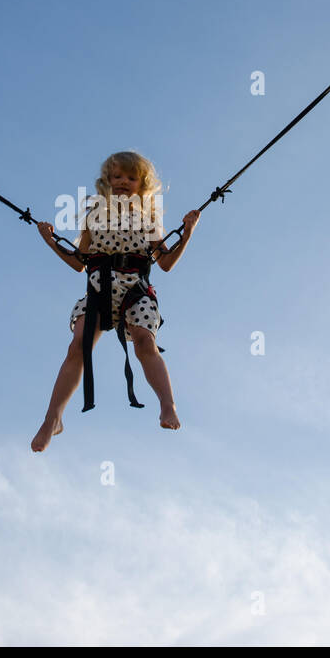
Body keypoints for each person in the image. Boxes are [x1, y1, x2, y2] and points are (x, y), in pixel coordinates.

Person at [31, 151, 199, 452]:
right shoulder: (94, 215)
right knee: (78, 346)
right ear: (107, 181)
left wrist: (186, 234)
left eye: (131, 178)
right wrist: (49, 240)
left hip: (135, 289)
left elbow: (166, 263)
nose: (124, 182)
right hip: (100, 288)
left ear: (142, 185)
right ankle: (52, 418)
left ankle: (168, 404)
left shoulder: (147, 217)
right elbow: (78, 262)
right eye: (118, 176)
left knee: (145, 342)